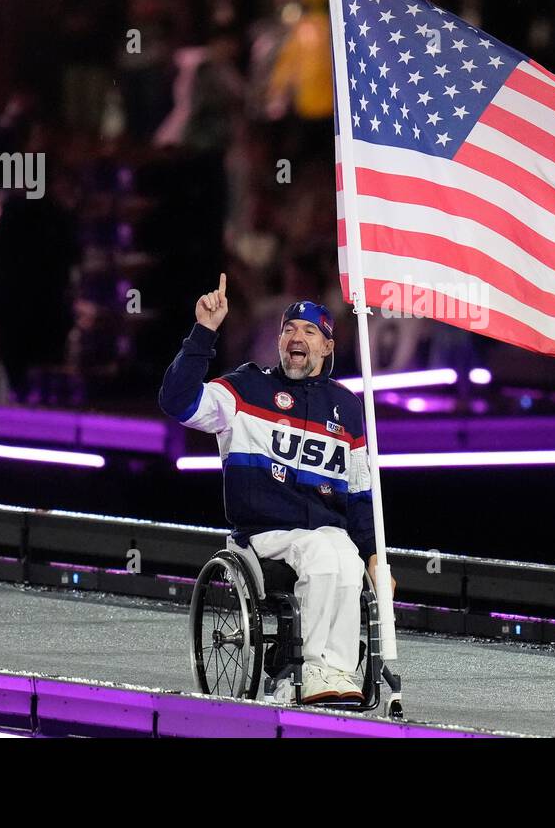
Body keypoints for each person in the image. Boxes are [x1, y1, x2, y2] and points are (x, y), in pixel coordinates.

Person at [158, 276, 392, 703]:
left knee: (345, 556)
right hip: (264, 532)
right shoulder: (246, 389)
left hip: (324, 530)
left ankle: (334, 672)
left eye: (309, 331)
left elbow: (360, 494)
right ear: (279, 341)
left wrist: (376, 558)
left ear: (327, 347)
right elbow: (177, 401)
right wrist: (204, 331)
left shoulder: (348, 407)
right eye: (288, 329)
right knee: (324, 554)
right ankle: (296, 672)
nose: (295, 337)